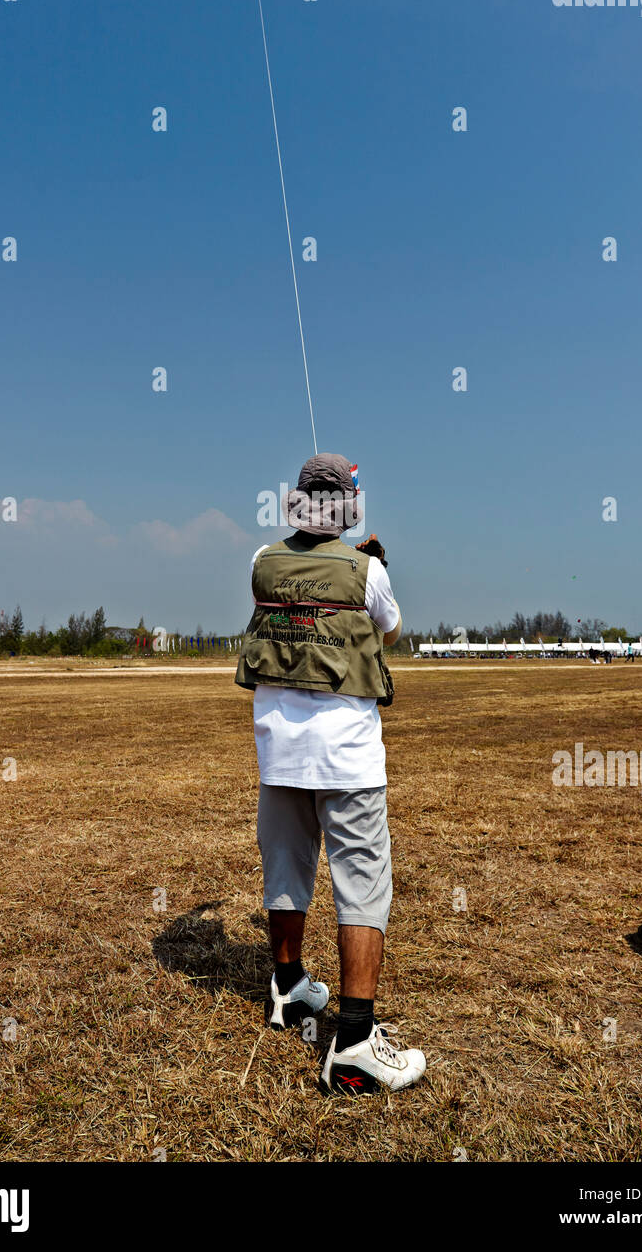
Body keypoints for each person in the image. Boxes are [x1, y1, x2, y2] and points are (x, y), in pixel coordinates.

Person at [235, 453, 426, 1094]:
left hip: (278, 755)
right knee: (363, 887)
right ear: (349, 509)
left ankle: (288, 990)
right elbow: (389, 633)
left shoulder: (262, 562)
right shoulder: (367, 570)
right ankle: (355, 1043)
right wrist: (377, 569)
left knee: (286, 870)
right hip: (347, 758)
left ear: (295, 503)